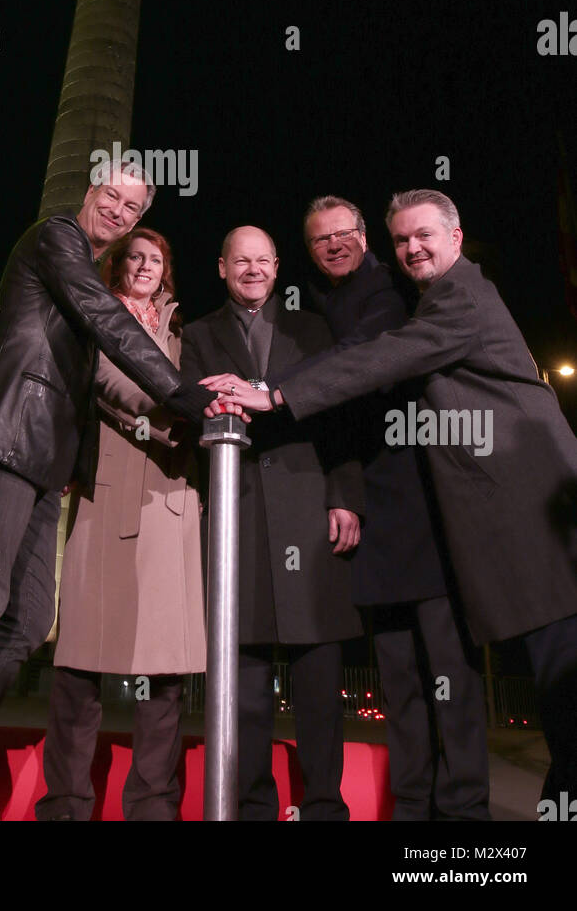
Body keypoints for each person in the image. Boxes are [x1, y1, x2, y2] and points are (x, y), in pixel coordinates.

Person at [204, 189, 577, 803]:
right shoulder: (414, 297)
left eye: (424, 235)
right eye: (403, 238)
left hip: (530, 501)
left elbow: (380, 356)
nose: (413, 248)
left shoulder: (452, 296)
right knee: (552, 678)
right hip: (503, 507)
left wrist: (273, 394)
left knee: (560, 673)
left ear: (456, 237)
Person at [0, 161, 221, 821]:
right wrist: (183, 395)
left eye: (133, 207)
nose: (119, 211)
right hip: (6, 441)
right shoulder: (57, 237)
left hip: (46, 466)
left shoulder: (91, 272)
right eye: (112, 196)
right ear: (90, 191)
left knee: (24, 624)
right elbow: (105, 321)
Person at [304, 195, 489, 821]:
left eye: (344, 233)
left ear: (364, 237)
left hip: (425, 510)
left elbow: (362, 357)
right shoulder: (318, 307)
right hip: (373, 515)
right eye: (320, 239)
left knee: (451, 674)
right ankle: (411, 810)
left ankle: (465, 817)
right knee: (399, 678)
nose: (334, 245)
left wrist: (274, 391)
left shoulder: (387, 291)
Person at [181, 225, 364, 821]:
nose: (253, 270)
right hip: (233, 517)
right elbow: (190, 411)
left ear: (278, 266)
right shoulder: (196, 335)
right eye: (241, 261)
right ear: (222, 267)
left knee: (319, 679)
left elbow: (342, 416)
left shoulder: (313, 328)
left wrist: (345, 495)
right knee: (244, 681)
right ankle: (252, 807)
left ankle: (325, 807)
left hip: (309, 513)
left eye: (263, 260)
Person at [35, 228, 205, 821]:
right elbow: (103, 381)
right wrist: (176, 417)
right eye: (134, 255)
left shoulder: (185, 331)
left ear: (166, 273)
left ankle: (153, 805)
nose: (144, 265)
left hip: (169, 498)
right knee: (79, 662)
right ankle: (65, 803)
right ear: (116, 266)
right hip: (103, 492)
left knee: (165, 668)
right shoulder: (95, 318)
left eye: (155, 259)